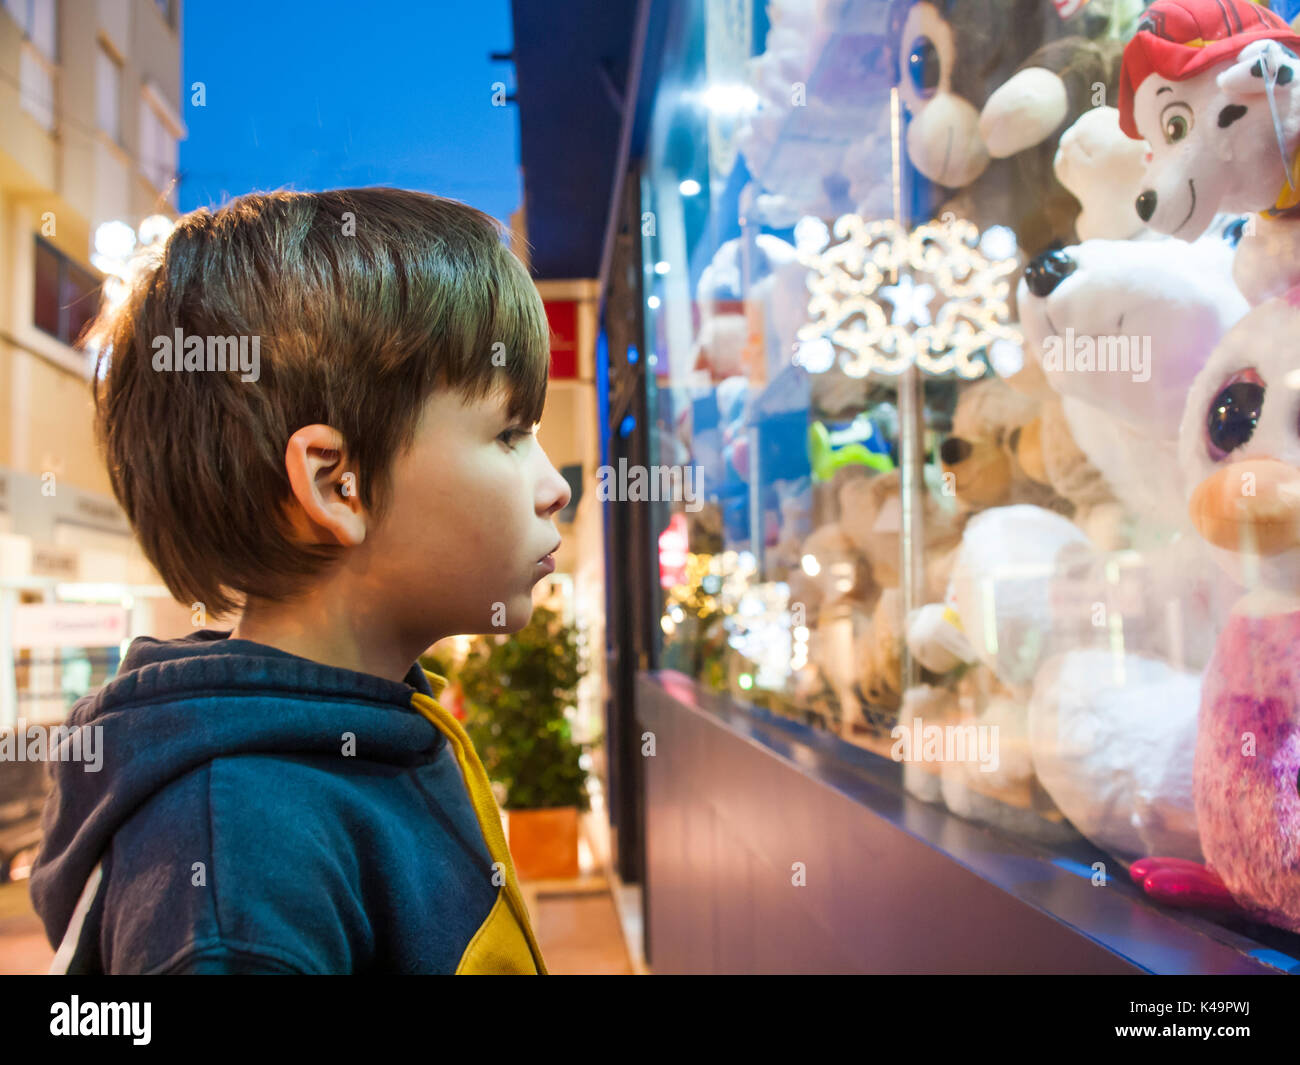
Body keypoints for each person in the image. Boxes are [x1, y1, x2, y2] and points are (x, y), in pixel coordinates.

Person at [28, 188, 570, 974]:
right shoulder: (237, 867)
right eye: (511, 433)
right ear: (335, 484)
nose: (554, 486)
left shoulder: (380, 723)